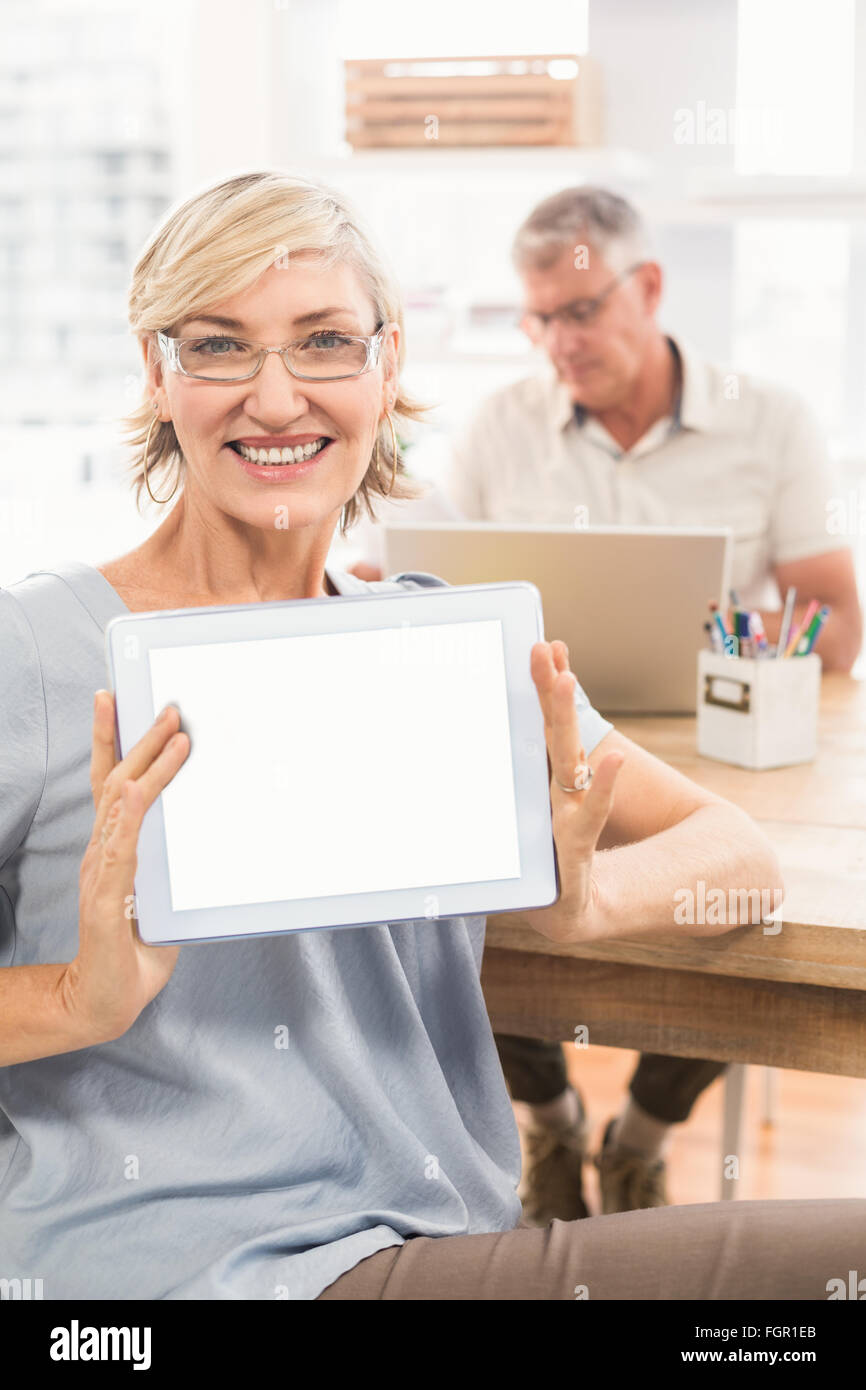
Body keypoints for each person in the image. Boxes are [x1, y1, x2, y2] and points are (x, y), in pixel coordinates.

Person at [1, 170, 863, 1301]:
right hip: (165, 1277)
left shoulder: (443, 647)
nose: (274, 398)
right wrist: (75, 997)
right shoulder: (38, 649)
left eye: (322, 342)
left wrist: (588, 901)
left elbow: (734, 853)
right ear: (158, 374)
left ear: (387, 365)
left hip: (436, 1246)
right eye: (218, 346)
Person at [356, 186, 864, 1226]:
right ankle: (546, 1122)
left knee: (727, 904)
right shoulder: (502, 425)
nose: (556, 340)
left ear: (648, 287)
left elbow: (833, 624)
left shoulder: (768, 417)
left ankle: (639, 1135)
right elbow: (460, 584)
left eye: (579, 309)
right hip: (560, 741)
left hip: (725, 739)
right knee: (468, 886)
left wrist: (738, 634)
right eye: (537, 316)